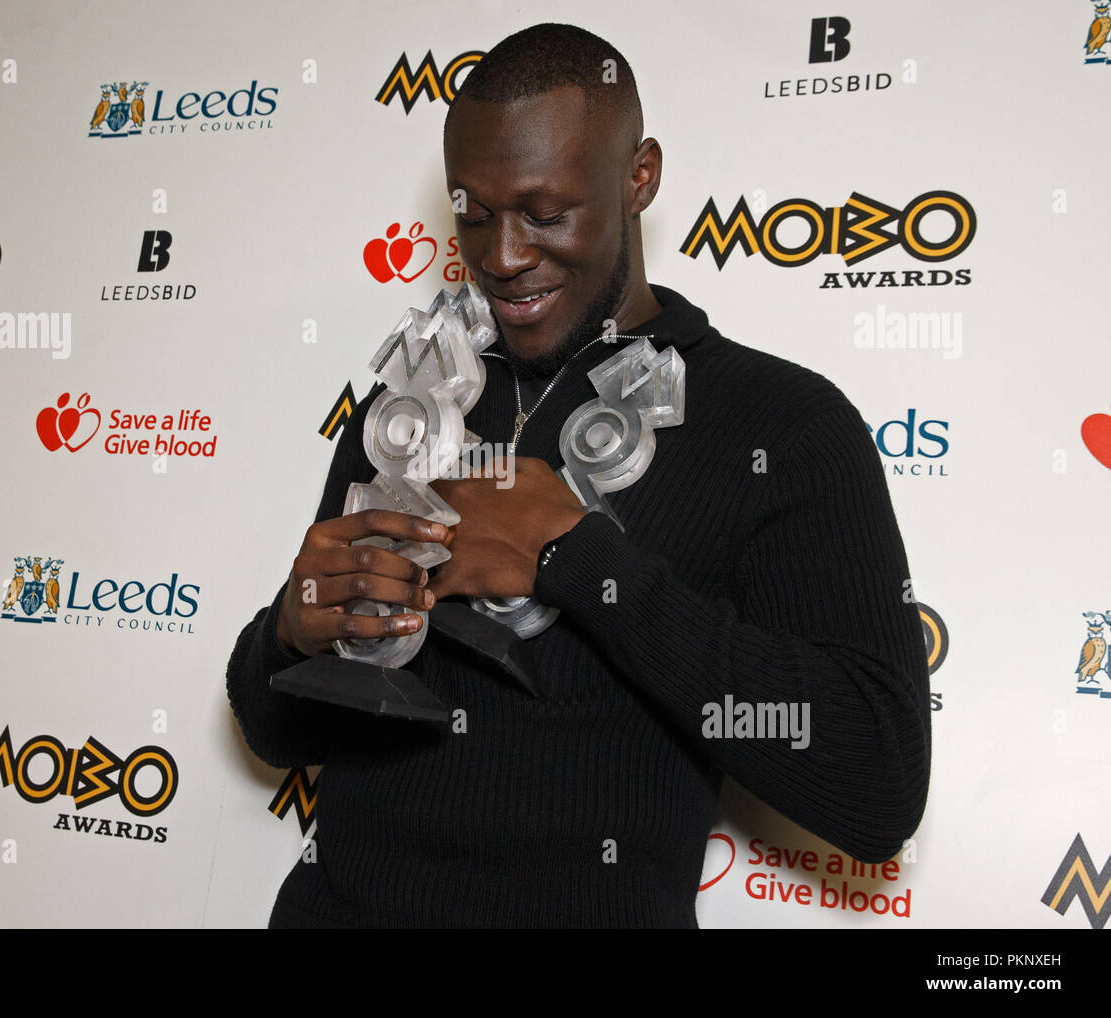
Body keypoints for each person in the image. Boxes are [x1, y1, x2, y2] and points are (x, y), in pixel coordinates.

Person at [227, 22, 930, 928]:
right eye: (471, 212)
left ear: (639, 176)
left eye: (543, 211)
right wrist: (288, 631)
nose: (502, 256)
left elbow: (876, 783)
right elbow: (277, 729)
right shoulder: (411, 400)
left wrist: (580, 559)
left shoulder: (782, 424)